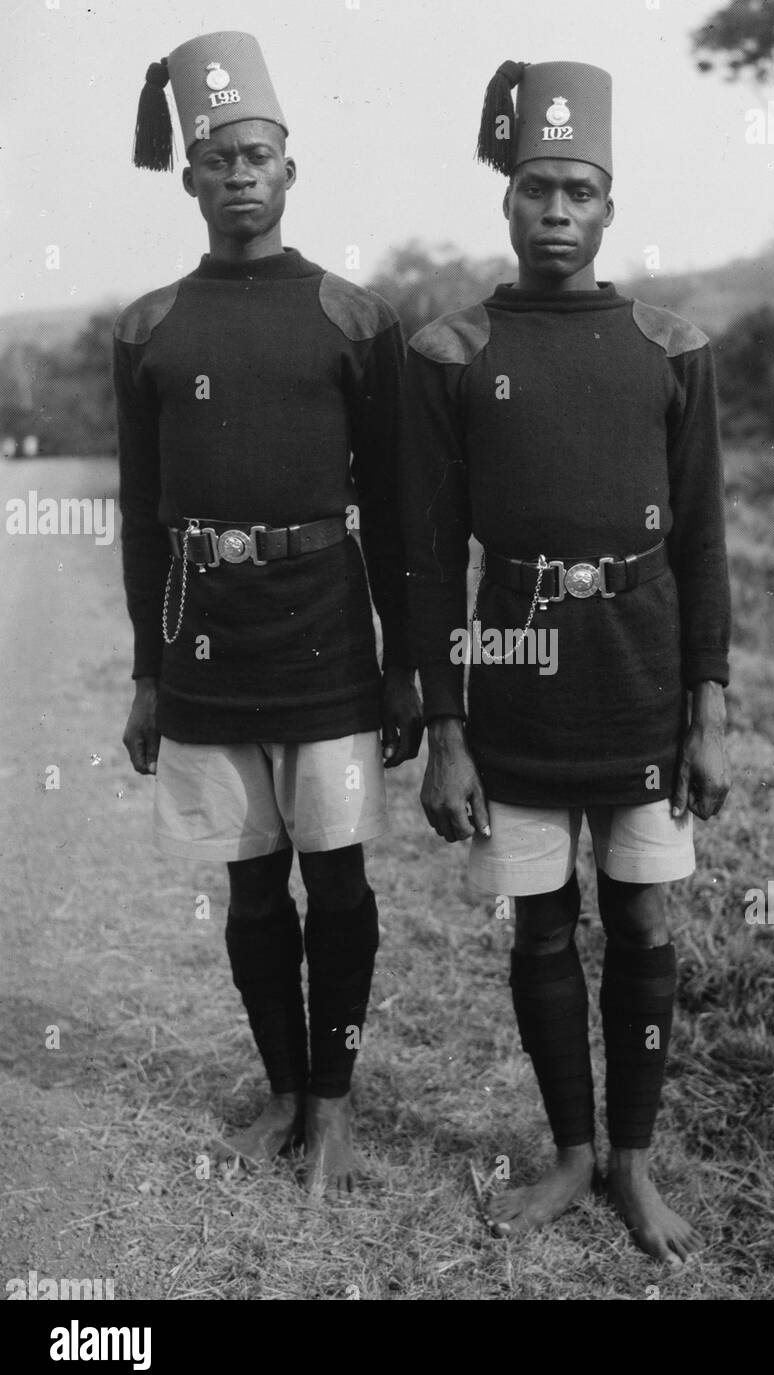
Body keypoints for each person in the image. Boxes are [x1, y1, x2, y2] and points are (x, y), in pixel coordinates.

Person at [401, 59, 731, 1261]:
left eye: (579, 189)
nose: (556, 209)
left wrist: (711, 710)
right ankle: (572, 1152)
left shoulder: (670, 346)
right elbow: (432, 564)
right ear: (506, 198)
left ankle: (634, 1162)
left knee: (641, 921)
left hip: (640, 684)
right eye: (537, 186)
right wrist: (445, 730)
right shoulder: (449, 351)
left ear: (608, 206)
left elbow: (702, 541)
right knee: (539, 930)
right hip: (516, 687)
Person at [114, 31, 421, 1198]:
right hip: (205, 649)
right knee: (249, 885)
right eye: (216, 157)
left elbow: (393, 514)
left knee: (335, 881)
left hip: (328, 640)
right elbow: (145, 518)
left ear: (290, 171)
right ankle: (284, 1091)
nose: (239, 174)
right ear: (188, 175)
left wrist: (404, 670)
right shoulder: (149, 328)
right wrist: (149, 673)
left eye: (258, 155)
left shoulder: (354, 317)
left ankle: (335, 1107)